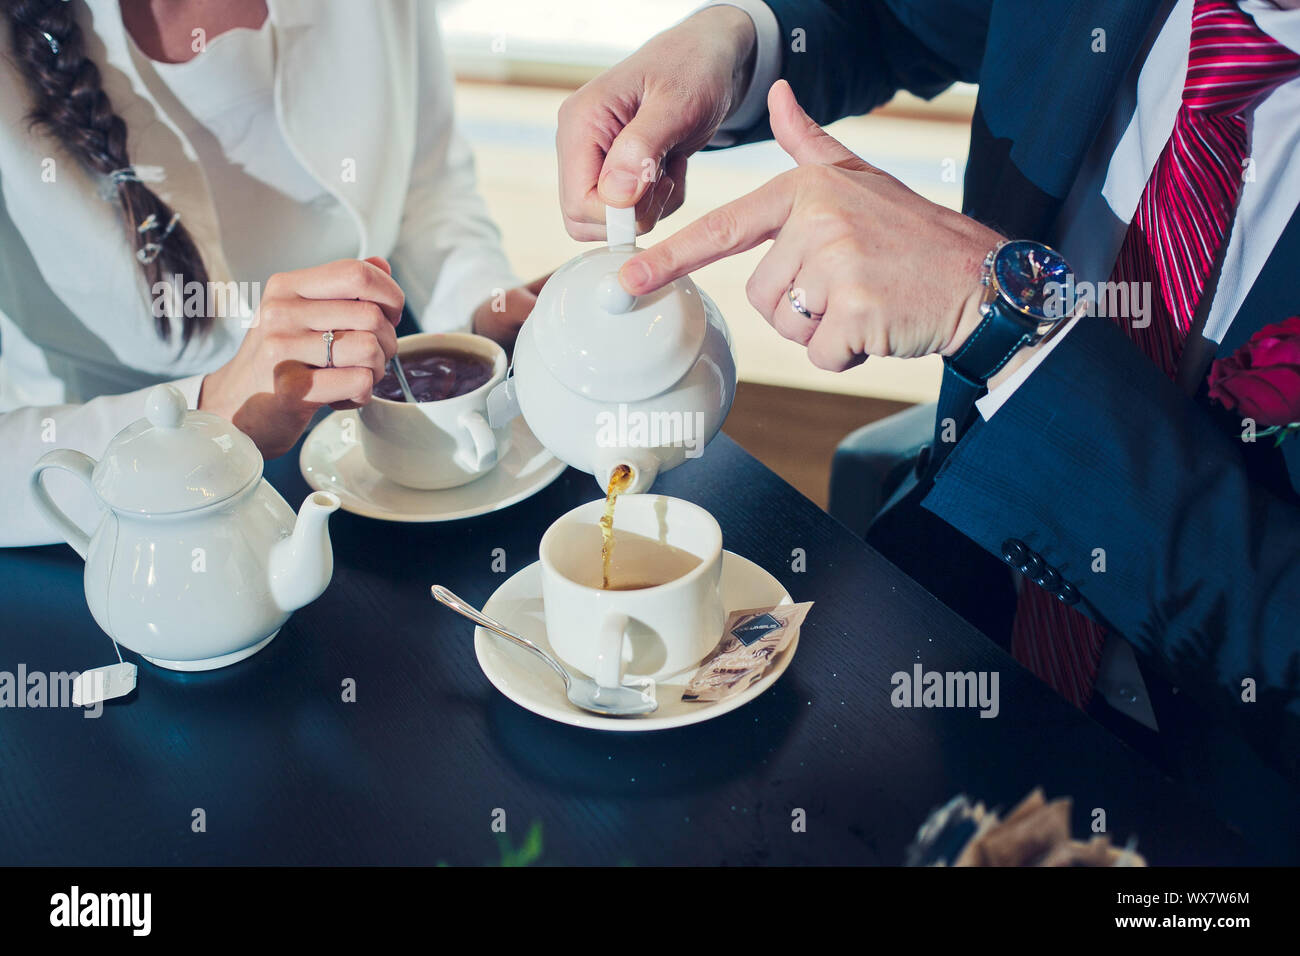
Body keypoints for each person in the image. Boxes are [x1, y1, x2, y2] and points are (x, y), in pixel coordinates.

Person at [556, 0, 1300, 837]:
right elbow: (894, 18)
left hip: (1226, 779)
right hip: (950, 606)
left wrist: (997, 318)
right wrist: (735, 46)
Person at [1, 0, 545, 545]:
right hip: (98, 526)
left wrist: (481, 302)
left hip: (365, 456)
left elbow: (429, 187)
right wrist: (209, 416)